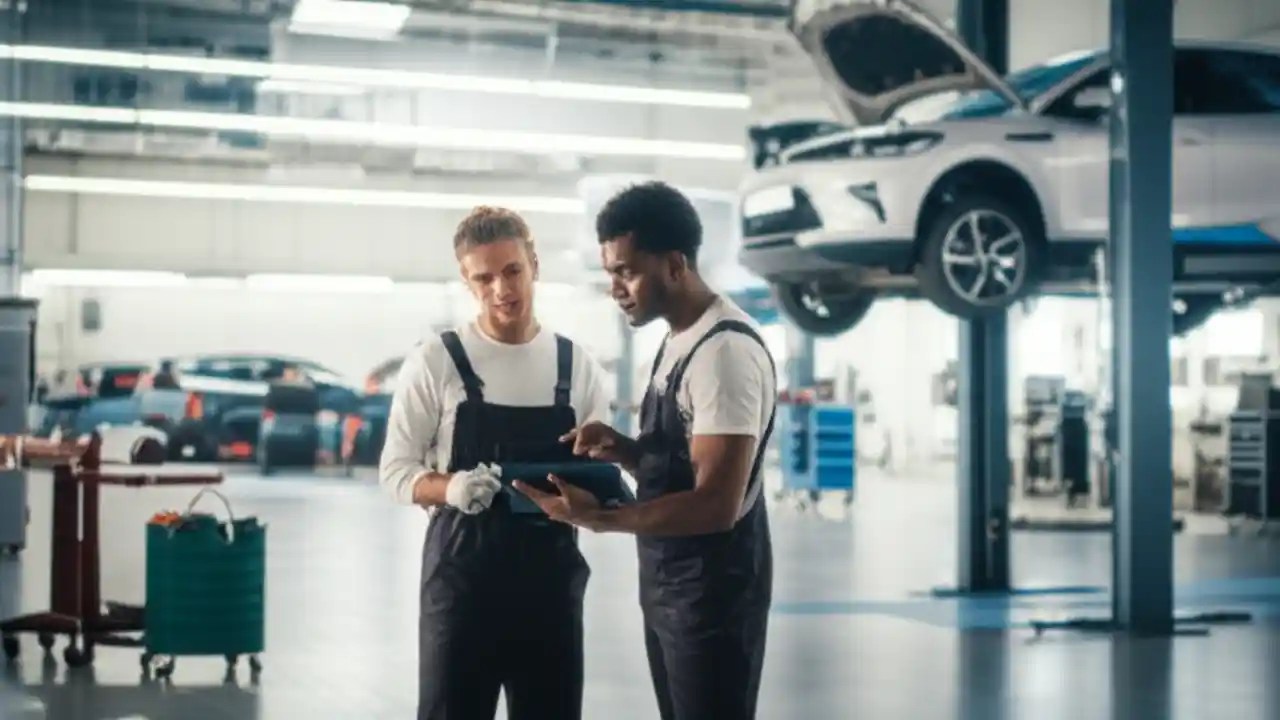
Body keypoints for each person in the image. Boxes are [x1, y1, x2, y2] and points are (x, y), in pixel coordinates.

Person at [515, 181, 778, 720]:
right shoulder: (678, 337)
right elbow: (683, 464)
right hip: (671, 582)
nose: (615, 287)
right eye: (610, 272)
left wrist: (602, 519)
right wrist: (625, 452)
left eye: (626, 271)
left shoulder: (723, 354)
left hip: (712, 594)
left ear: (675, 265)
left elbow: (716, 504)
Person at [379, 206, 613, 720]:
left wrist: (596, 503)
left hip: (549, 588)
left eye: (511, 271)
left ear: (534, 264)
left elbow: (599, 474)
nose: (500, 289)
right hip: (462, 586)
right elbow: (395, 472)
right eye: (483, 278)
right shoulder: (437, 361)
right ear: (467, 282)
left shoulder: (577, 367)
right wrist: (451, 487)